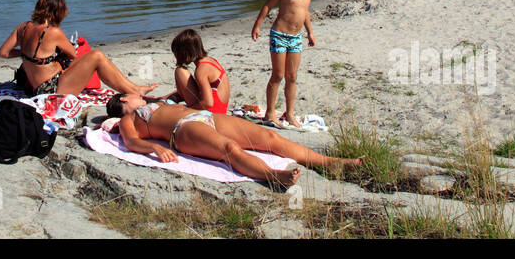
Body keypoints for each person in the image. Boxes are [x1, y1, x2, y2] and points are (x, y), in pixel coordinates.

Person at [106, 93, 361, 190]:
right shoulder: (129, 118)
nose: (139, 95)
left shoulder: (156, 102)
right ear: (124, 100)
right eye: (133, 95)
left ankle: (331, 163)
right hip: (183, 130)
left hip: (206, 117)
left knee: (270, 138)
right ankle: (273, 176)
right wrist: (154, 148)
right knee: (230, 149)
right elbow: (131, 142)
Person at [0, 0, 156, 98]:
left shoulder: (23, 27)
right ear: (56, 12)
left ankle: (134, 88)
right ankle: (134, 90)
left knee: (93, 57)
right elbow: (73, 54)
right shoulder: (53, 32)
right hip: (51, 91)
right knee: (97, 56)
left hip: (33, 89)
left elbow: (3, 53)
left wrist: (27, 54)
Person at [250, 0, 319, 129]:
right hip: (279, 35)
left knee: (292, 76)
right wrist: (257, 25)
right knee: (278, 75)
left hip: (296, 37)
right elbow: (268, 5)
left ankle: (290, 114)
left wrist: (310, 32)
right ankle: (270, 113)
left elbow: (305, 12)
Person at [168, 29, 229, 114]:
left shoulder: (201, 70)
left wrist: (187, 109)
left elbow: (208, 103)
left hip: (212, 113)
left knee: (180, 71)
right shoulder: (211, 61)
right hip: (221, 111)